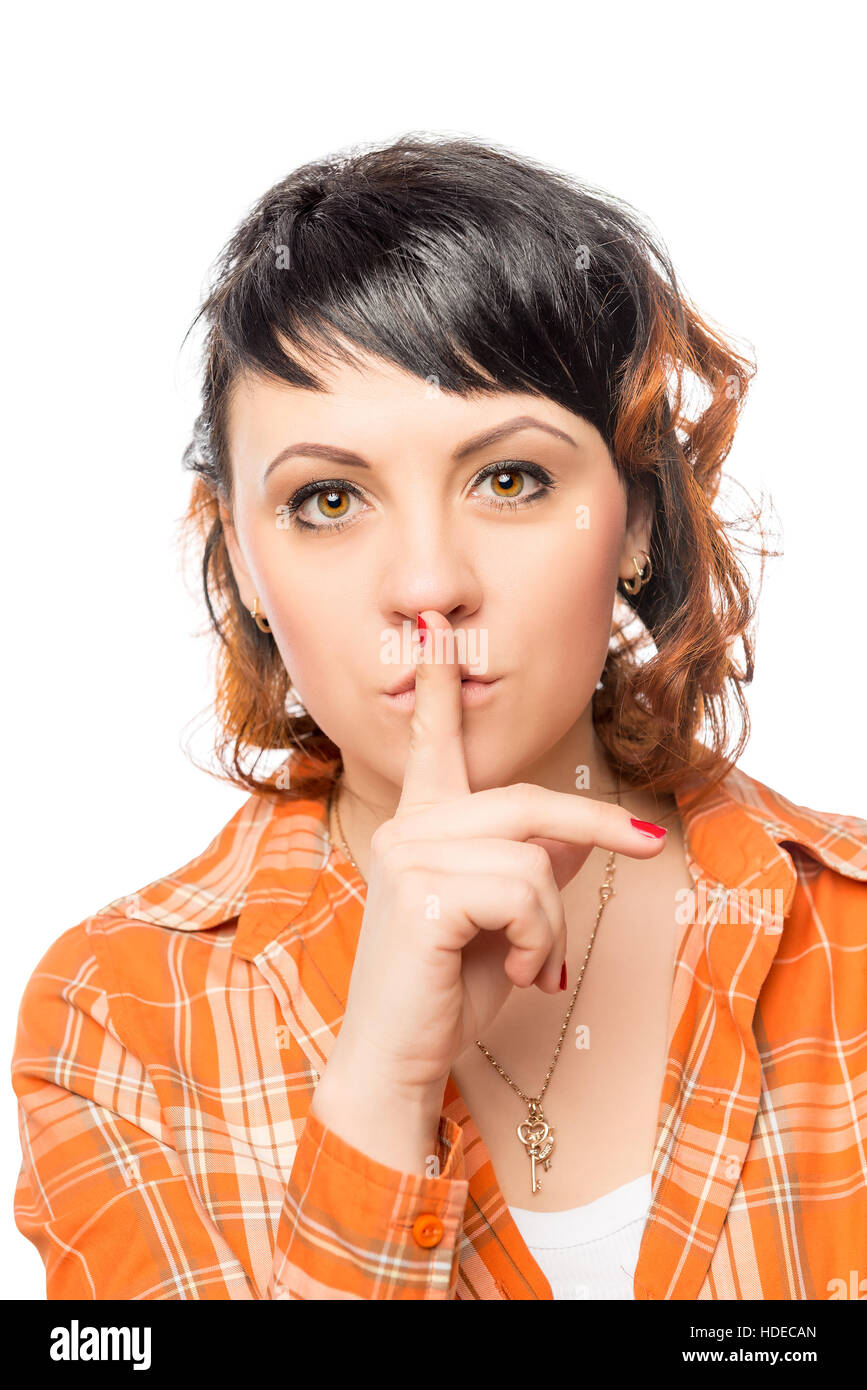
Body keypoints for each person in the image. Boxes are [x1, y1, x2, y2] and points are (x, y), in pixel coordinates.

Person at [11, 135, 867, 1301]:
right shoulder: (118, 1018)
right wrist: (379, 1082)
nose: (426, 583)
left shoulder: (847, 937)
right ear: (242, 560)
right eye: (328, 499)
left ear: (638, 520)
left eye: (510, 478)